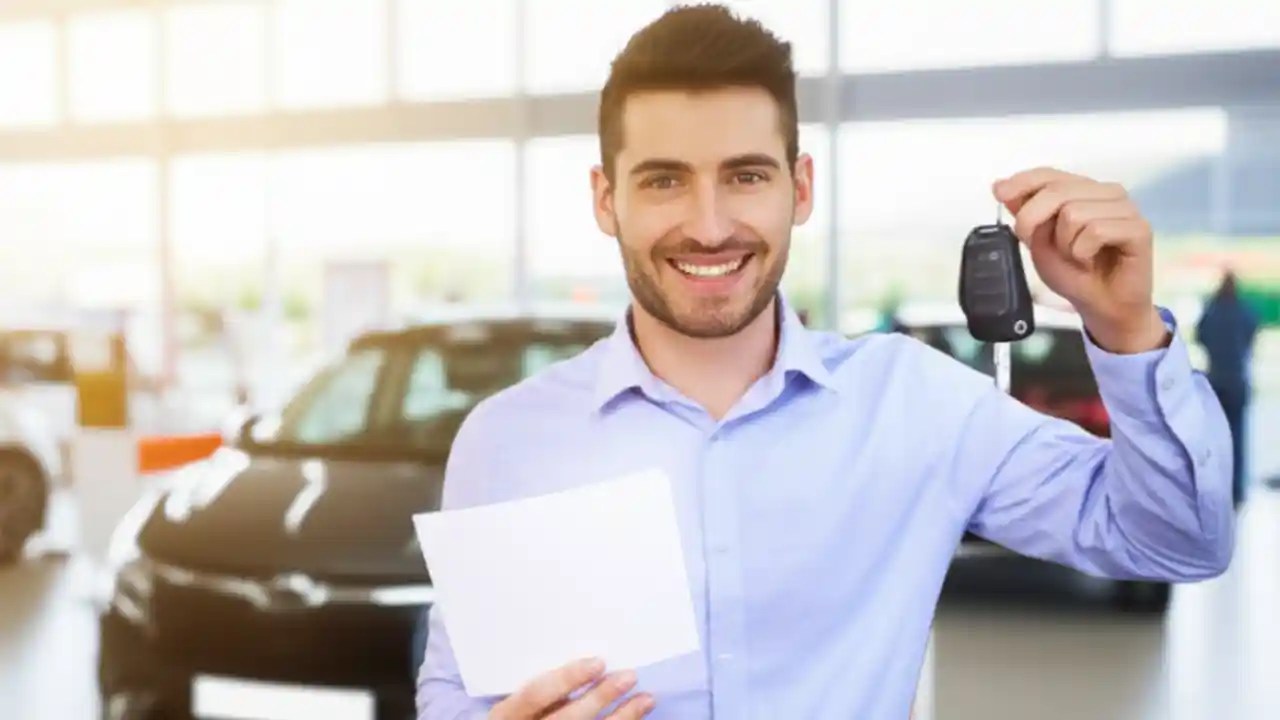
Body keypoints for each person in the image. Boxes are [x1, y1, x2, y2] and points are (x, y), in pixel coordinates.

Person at [417, 6, 1235, 719]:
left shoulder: (916, 405)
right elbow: (457, 695)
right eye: (665, 181)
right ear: (606, 199)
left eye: (745, 175)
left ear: (799, 188)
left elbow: (1177, 543)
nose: (709, 226)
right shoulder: (507, 440)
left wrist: (1124, 326)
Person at [1196, 270, 1260, 507]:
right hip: (1237, 382)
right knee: (1238, 437)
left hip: (1215, 381)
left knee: (1215, 438)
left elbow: (1200, 336)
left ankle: (1217, 487)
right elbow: (1252, 333)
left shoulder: (1211, 311)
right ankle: (1237, 490)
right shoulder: (1243, 311)